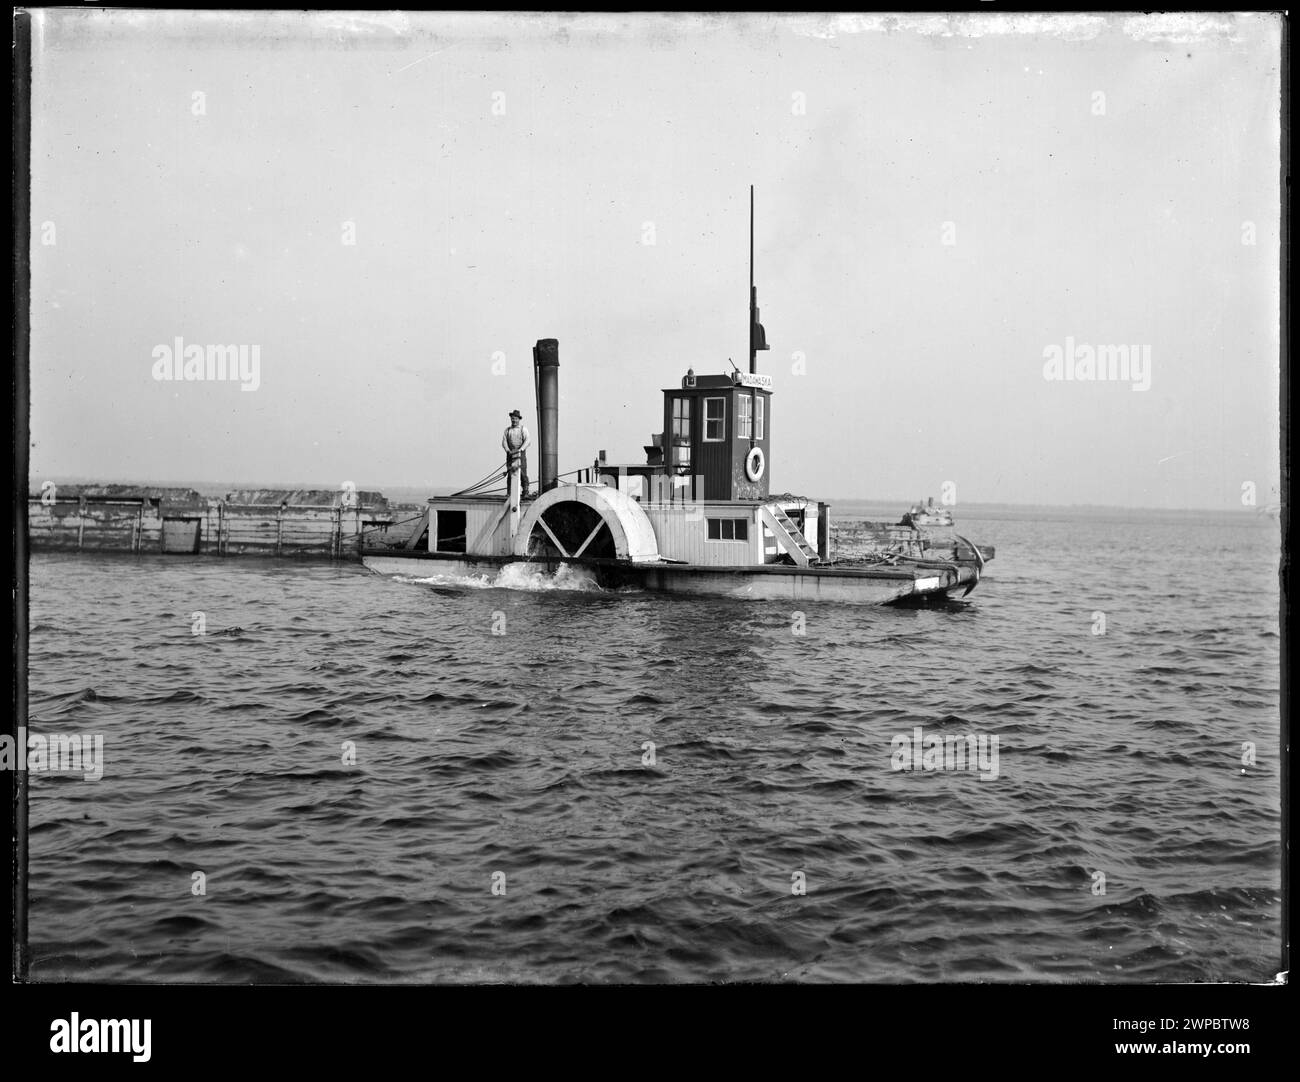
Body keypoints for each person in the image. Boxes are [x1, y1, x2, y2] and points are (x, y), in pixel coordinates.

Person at [502, 409, 532, 496]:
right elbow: (504, 442)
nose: (514, 420)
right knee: (510, 472)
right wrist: (508, 450)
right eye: (512, 418)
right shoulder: (507, 430)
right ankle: (509, 492)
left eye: (515, 418)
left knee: (522, 473)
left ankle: (525, 491)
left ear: (519, 419)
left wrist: (521, 449)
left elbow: (528, 440)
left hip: (520, 453)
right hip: (510, 453)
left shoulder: (523, 429)